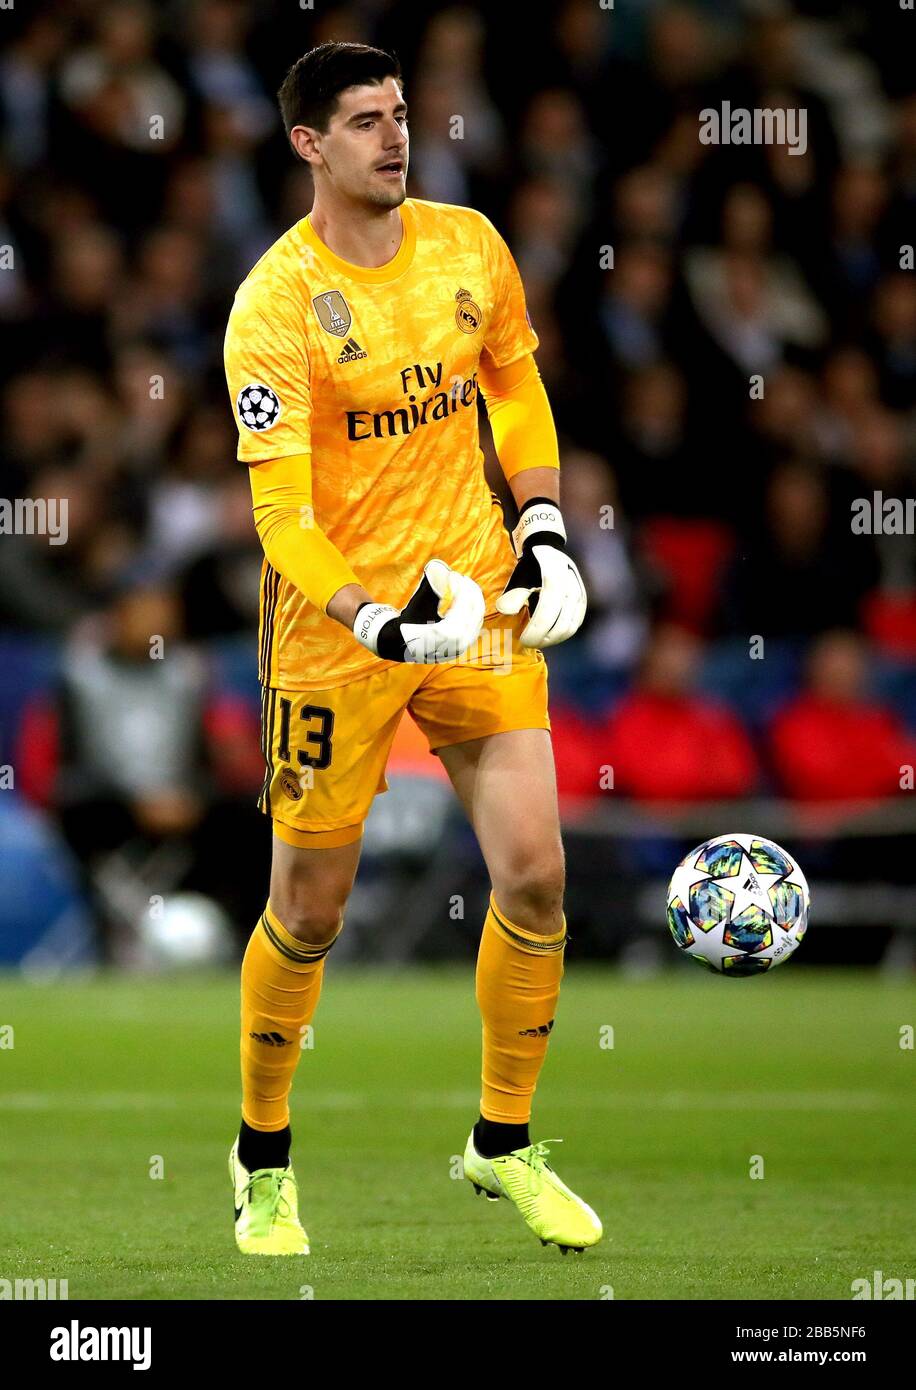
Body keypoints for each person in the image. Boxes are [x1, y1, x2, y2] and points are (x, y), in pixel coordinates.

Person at [222, 42, 599, 1258]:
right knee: (311, 906)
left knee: (535, 870)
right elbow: (282, 520)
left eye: (399, 114)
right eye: (365, 122)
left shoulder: (469, 244)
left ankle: (502, 1142)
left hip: (473, 595)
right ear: (308, 146)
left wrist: (540, 524)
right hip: (338, 632)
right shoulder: (275, 305)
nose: (396, 137)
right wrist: (371, 617)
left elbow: (515, 388)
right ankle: (263, 1158)